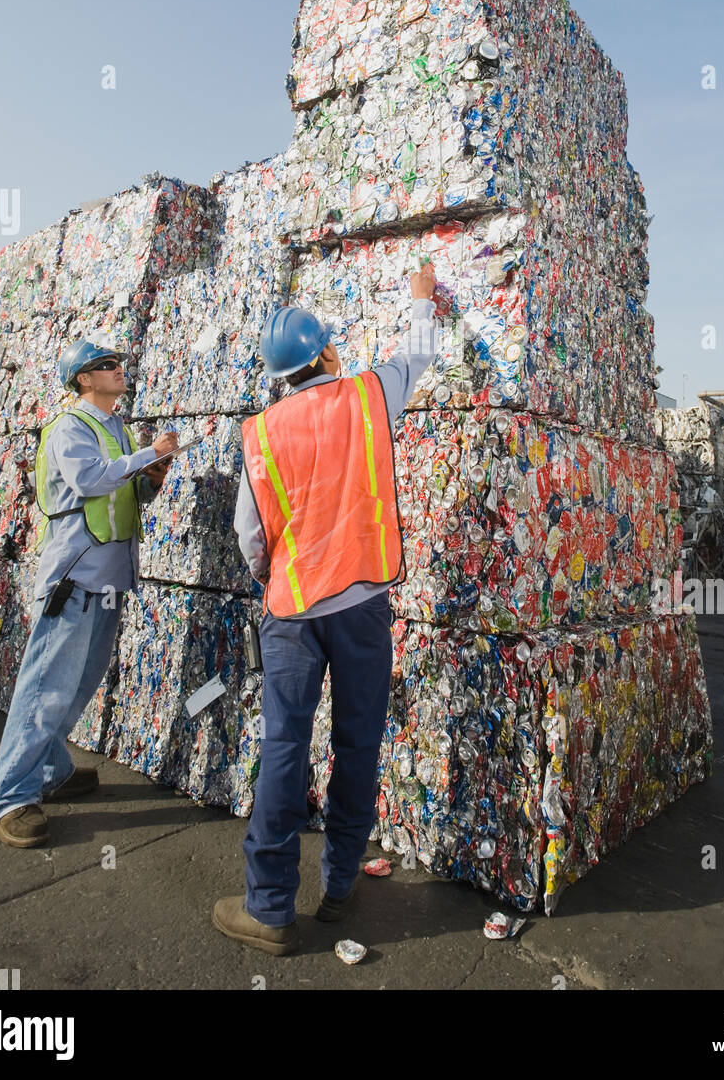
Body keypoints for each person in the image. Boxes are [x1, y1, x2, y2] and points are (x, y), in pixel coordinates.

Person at [212, 263, 438, 955]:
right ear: (327, 354)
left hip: (292, 610)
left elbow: (250, 536)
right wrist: (423, 302)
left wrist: (274, 578)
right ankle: (340, 885)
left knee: (283, 746)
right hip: (365, 604)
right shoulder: (369, 397)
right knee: (358, 741)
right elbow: (420, 356)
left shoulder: (260, 432)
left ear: (280, 373)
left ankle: (270, 909)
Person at [0, 341, 180, 847]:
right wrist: (148, 454)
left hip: (110, 579)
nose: (119, 370)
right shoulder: (70, 426)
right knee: (47, 686)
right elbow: (90, 481)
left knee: (78, 684)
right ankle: (11, 799)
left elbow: (123, 494)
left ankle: (51, 769)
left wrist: (150, 479)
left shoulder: (116, 428)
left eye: (117, 364)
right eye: (106, 366)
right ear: (82, 379)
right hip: (73, 579)